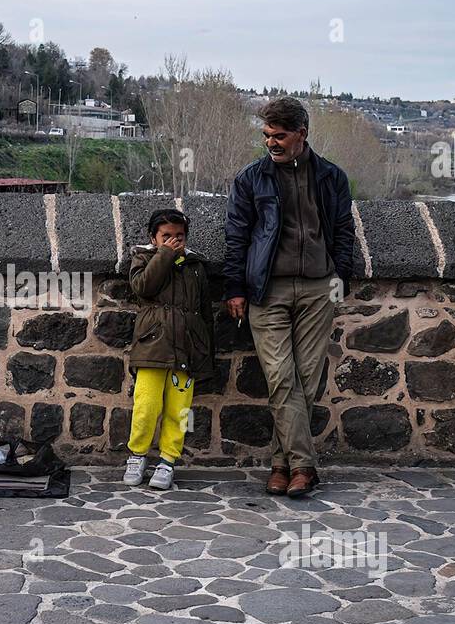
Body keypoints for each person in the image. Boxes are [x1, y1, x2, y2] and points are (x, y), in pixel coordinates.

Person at [223, 96, 354, 497]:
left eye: (279, 136)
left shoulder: (332, 177)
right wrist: (234, 288)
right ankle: (304, 466)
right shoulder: (250, 179)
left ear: (302, 133)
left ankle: (281, 465)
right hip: (268, 289)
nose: (271, 143)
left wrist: (341, 279)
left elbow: (344, 232)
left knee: (307, 381)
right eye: (266, 136)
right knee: (281, 378)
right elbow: (237, 236)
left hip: (318, 289)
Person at [124, 208, 216, 490]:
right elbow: (143, 287)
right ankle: (137, 454)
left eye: (179, 236)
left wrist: (205, 353)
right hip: (153, 346)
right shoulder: (144, 258)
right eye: (167, 236)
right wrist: (164, 255)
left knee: (179, 410)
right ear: (154, 237)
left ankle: (167, 459)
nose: (174, 241)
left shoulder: (195, 266)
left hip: (187, 349)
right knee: (146, 405)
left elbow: (204, 312)